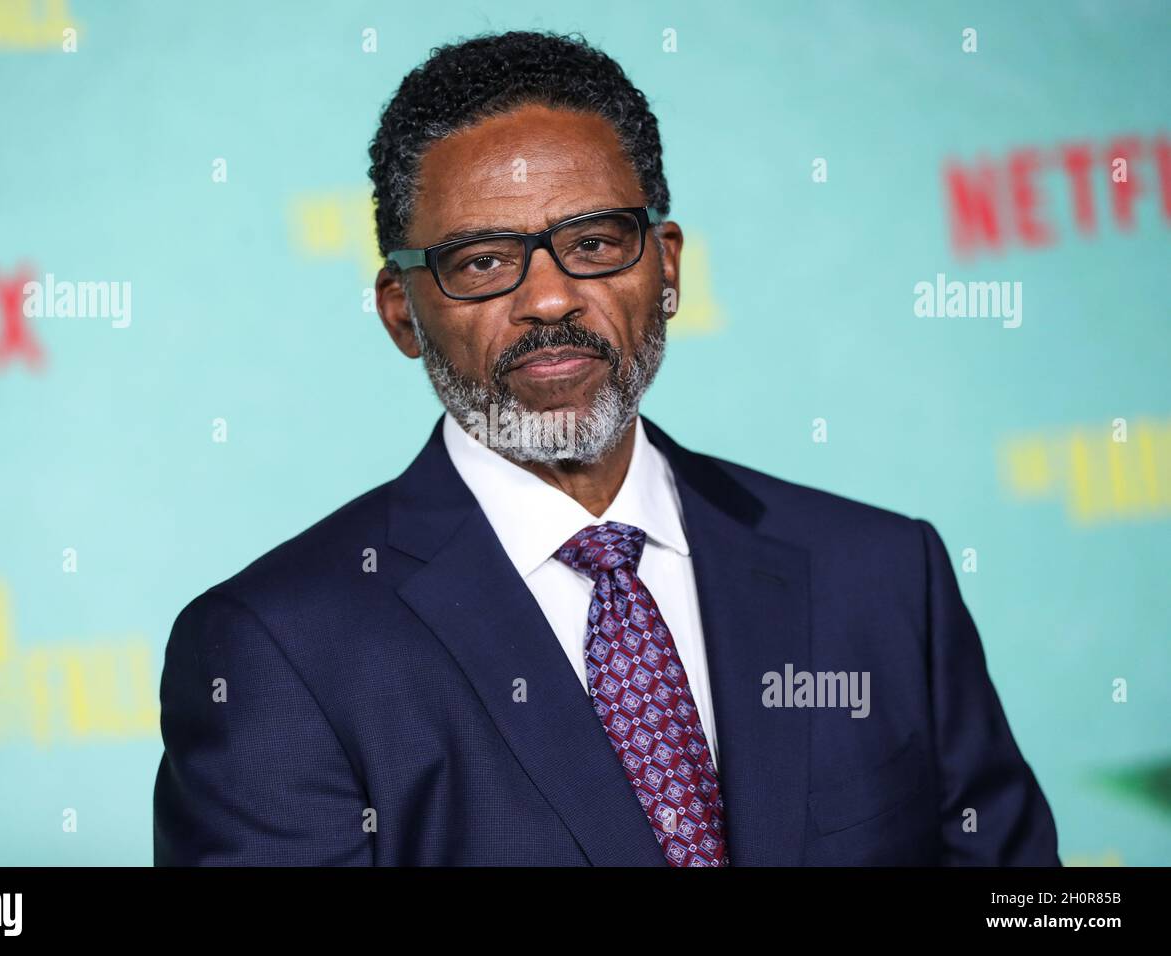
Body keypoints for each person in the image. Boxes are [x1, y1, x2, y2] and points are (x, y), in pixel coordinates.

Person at [153, 30, 1060, 866]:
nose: (549, 299)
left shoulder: (884, 577)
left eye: (594, 242)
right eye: (481, 261)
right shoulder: (277, 652)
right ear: (401, 311)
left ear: (666, 266)